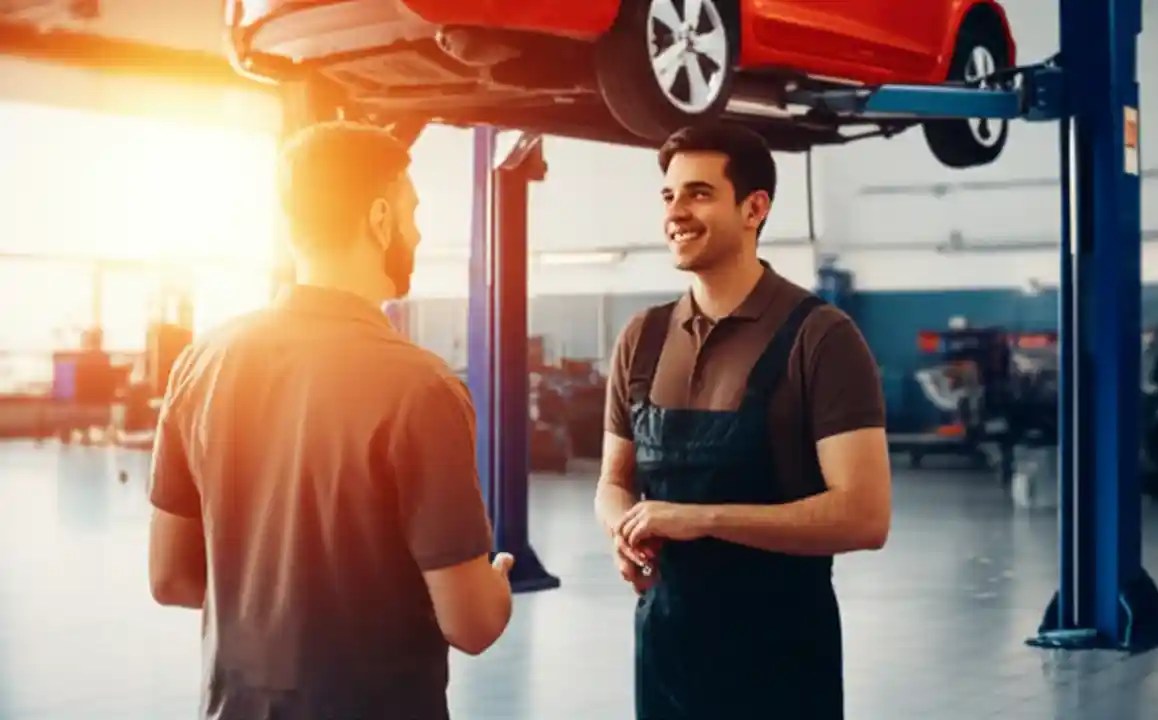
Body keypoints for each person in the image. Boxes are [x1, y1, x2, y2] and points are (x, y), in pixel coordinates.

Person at [146, 120, 514, 720]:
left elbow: (171, 579)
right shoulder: (421, 387)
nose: (417, 232)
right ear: (379, 219)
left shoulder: (201, 363)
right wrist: (495, 581)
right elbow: (472, 624)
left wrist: (273, 608)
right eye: (411, 211)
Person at [594, 122, 893, 720]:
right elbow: (614, 480)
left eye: (698, 193)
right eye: (668, 195)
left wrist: (701, 519)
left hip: (778, 658)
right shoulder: (643, 338)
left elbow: (865, 516)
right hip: (667, 653)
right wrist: (620, 531)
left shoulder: (820, 339)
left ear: (754, 208)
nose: (676, 211)